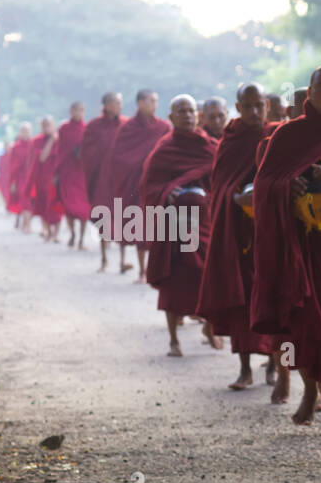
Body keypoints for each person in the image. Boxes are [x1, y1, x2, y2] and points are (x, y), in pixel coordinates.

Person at [250, 66, 321, 435]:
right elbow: (265, 182)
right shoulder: (289, 135)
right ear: (309, 93)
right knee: (306, 325)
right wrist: (288, 185)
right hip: (301, 246)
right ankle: (310, 391)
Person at [198, 83, 283, 394]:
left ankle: (275, 366)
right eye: (248, 107)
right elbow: (220, 185)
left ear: (268, 105)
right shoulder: (231, 139)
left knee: (274, 298)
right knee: (242, 300)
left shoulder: (278, 135)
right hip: (240, 232)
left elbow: (288, 177)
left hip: (271, 232)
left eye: (259, 105)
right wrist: (234, 199)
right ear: (239, 107)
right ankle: (245, 369)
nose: (255, 112)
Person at [139, 94, 220, 357]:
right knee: (174, 280)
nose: (187, 115)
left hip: (204, 220)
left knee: (208, 275)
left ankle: (209, 325)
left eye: (191, 111)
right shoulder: (164, 149)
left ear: (198, 116)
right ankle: (174, 340)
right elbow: (149, 187)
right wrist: (167, 194)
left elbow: (221, 180)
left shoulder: (210, 146)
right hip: (173, 222)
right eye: (181, 111)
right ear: (171, 117)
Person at [105, 89, 171, 280]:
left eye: (157, 101)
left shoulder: (164, 127)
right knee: (140, 226)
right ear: (140, 103)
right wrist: (139, 166)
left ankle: (155, 268)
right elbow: (118, 157)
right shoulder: (128, 128)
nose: (155, 105)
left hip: (157, 185)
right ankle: (142, 270)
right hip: (135, 183)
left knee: (157, 226)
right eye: (152, 100)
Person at [81, 93, 125, 269]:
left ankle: (122, 260)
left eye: (120, 103)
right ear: (106, 105)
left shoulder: (125, 125)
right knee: (103, 217)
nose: (119, 106)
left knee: (124, 217)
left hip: (120, 179)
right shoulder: (93, 127)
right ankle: (104, 258)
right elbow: (86, 154)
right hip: (101, 179)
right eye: (116, 103)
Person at [53, 102, 92, 248]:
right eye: (76, 110)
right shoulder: (64, 129)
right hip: (67, 172)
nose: (79, 113)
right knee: (68, 207)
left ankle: (81, 239)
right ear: (71, 111)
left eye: (82, 110)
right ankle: (73, 233)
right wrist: (56, 172)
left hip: (81, 173)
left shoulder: (87, 128)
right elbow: (60, 150)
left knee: (83, 208)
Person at [27, 116, 61, 241]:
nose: (47, 127)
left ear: (54, 125)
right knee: (43, 205)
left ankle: (56, 233)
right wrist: (51, 141)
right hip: (42, 177)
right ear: (41, 127)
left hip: (55, 178)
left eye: (49, 125)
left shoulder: (60, 139)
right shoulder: (37, 141)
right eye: (44, 125)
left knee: (56, 206)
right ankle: (46, 230)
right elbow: (42, 158)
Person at [6, 123, 34, 228]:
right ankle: (27, 225)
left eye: (27, 131)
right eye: (23, 131)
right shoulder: (15, 148)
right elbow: (12, 167)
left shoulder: (34, 144)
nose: (25, 134)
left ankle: (26, 223)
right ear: (19, 133)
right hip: (20, 178)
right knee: (25, 201)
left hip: (32, 178)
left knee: (32, 202)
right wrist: (12, 183)